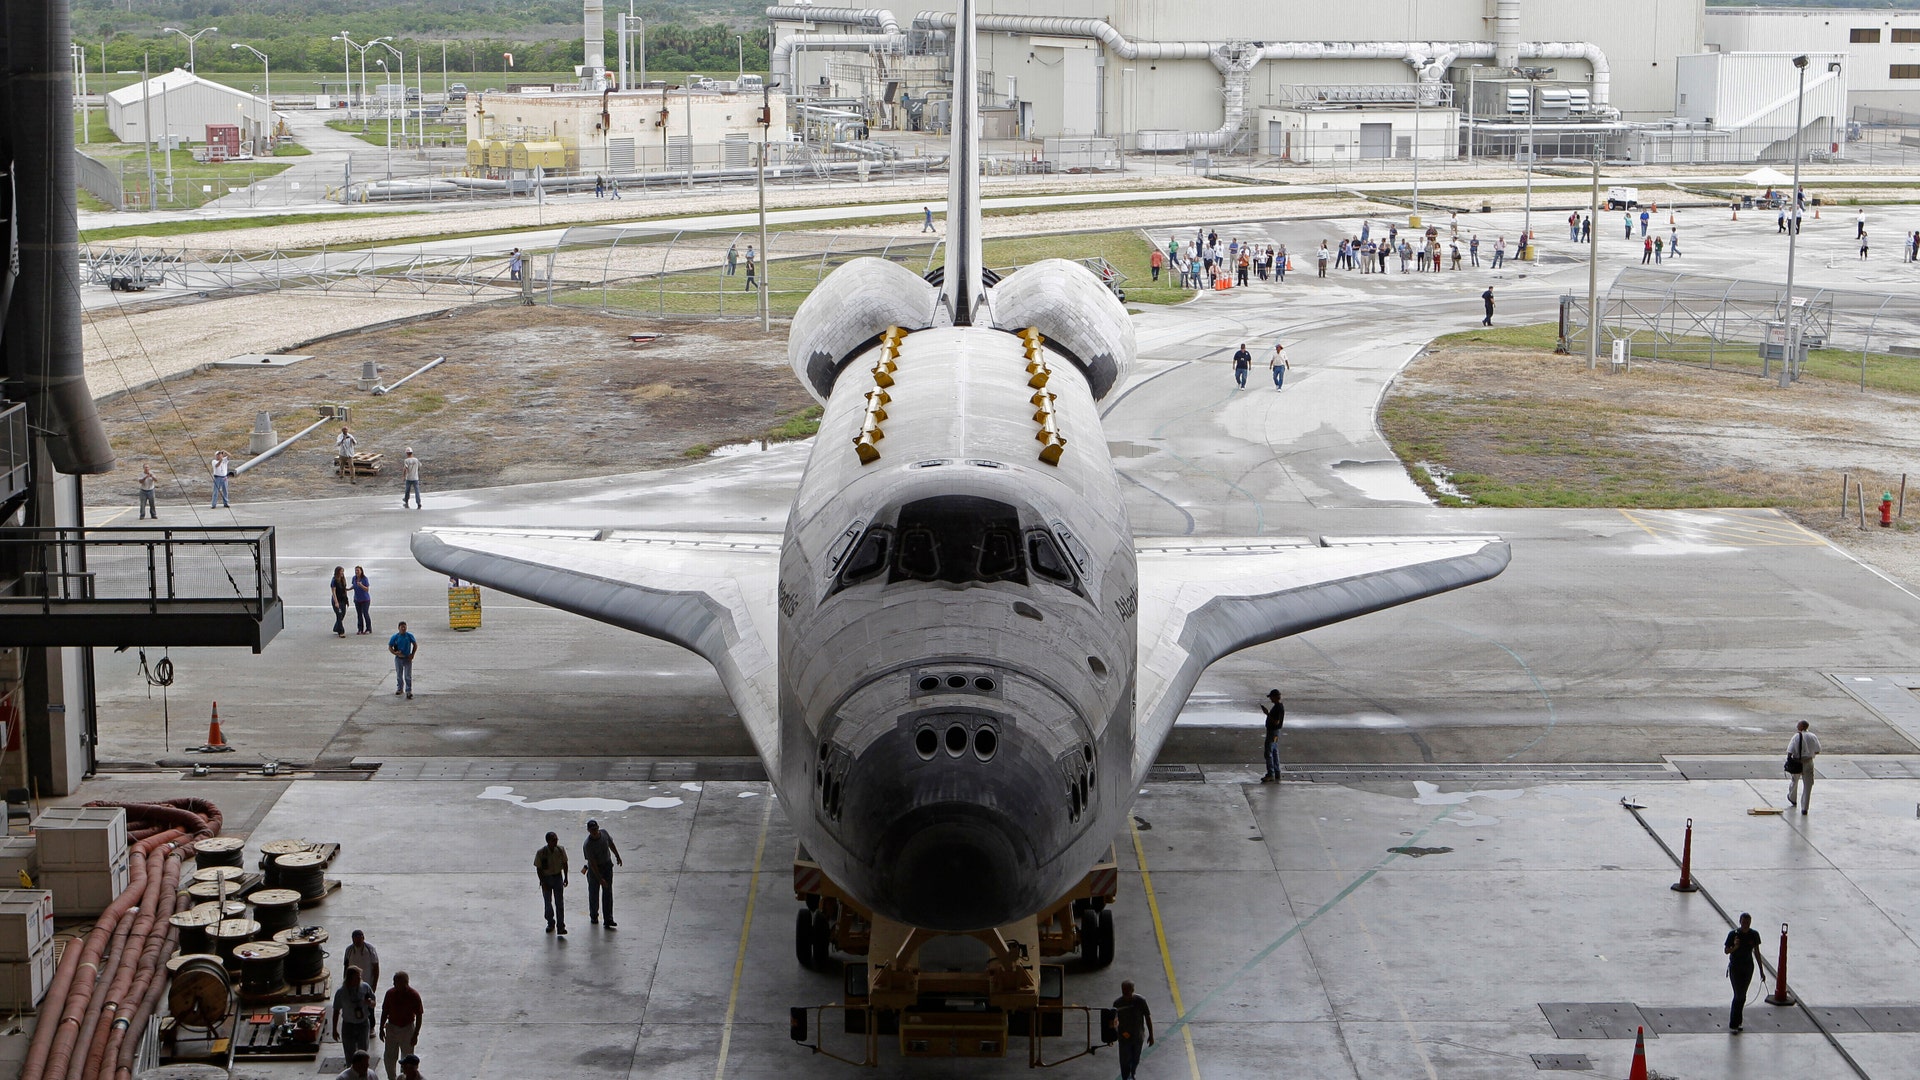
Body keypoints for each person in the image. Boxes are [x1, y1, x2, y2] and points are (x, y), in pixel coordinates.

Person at [380, 971, 424, 1080]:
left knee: (407, 1056)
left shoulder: (414, 995)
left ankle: (405, 1077)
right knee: (389, 1056)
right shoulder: (390, 993)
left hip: (407, 1028)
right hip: (392, 1027)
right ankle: (392, 1077)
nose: (394, 984)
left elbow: (419, 1015)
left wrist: (415, 1034)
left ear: (405, 983)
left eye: (396, 982)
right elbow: (385, 1011)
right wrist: (381, 1028)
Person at [1724, 913, 1763, 1032]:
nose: (1746, 924)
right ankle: (1733, 1023)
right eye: (1744, 922)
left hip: (1748, 968)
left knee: (1743, 995)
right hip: (1735, 967)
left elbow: (1757, 952)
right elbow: (1726, 951)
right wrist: (1735, 947)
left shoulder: (1754, 935)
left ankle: (1738, 1021)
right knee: (1738, 995)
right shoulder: (1733, 934)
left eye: (1748, 922)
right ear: (1740, 922)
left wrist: (1761, 970)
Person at [582, 819, 623, 927]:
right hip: (595, 870)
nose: (594, 831)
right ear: (588, 831)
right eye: (592, 830)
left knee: (608, 893)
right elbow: (592, 864)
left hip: (607, 866)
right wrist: (600, 879)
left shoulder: (604, 833)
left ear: (598, 827)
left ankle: (608, 918)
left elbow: (611, 844)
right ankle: (594, 916)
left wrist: (617, 856)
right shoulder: (588, 845)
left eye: (595, 829)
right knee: (594, 893)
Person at [1110, 980, 1154, 1080]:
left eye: (1127, 991)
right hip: (1124, 1037)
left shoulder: (1141, 1001)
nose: (1125, 994)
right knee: (1124, 1061)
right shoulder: (1117, 1003)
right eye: (1123, 991)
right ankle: (1126, 1077)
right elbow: (1114, 1022)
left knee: (1136, 1058)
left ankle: (1133, 1072)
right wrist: (1114, 1036)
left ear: (1132, 990)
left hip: (1138, 1036)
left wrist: (1151, 1035)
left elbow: (1147, 1017)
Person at [332, 966, 376, 1061]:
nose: (360, 979)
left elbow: (373, 1003)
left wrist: (370, 1003)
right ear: (350, 979)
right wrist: (334, 1029)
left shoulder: (365, 987)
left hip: (363, 1024)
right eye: (357, 977)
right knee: (349, 1053)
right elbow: (336, 1011)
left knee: (363, 1052)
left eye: (360, 977)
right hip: (348, 1025)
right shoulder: (341, 992)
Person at [537, 831, 569, 934]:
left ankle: (561, 926)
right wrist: (542, 882)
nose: (555, 841)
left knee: (559, 903)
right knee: (548, 902)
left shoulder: (560, 850)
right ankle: (550, 922)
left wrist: (566, 877)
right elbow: (539, 869)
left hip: (557, 877)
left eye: (556, 839)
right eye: (553, 840)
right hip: (546, 878)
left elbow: (565, 863)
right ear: (548, 841)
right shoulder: (541, 853)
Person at [1785, 719, 1819, 814]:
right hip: (1808, 762)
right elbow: (1817, 750)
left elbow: (1790, 751)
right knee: (1808, 785)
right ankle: (1804, 808)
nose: (1796, 727)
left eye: (1798, 725)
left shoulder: (1796, 737)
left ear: (1801, 727)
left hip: (1797, 762)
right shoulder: (1813, 736)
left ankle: (1792, 798)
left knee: (1794, 781)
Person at [1260, 688, 1285, 781]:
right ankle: (1277, 771)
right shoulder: (1279, 706)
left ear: (1275, 697)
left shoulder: (1278, 707)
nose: (1270, 699)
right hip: (1276, 733)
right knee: (1274, 751)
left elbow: (1276, 721)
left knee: (1268, 752)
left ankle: (1271, 773)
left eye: (1271, 697)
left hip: (1273, 732)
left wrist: (1267, 714)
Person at [389, 621, 417, 700]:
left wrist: (412, 654)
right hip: (399, 658)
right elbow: (390, 646)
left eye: (404, 627)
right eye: (402, 627)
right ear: (399, 628)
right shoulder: (395, 637)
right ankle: (400, 688)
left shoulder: (409, 636)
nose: (403, 629)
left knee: (408, 675)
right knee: (399, 675)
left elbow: (415, 645)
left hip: (407, 657)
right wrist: (395, 653)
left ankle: (408, 690)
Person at [330, 566, 351, 639]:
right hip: (337, 600)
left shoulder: (343, 579)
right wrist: (336, 602)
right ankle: (341, 632)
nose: (342, 573)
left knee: (343, 614)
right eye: (341, 571)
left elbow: (344, 589)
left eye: (343, 571)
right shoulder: (334, 580)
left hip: (343, 600)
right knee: (339, 615)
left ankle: (336, 627)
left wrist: (347, 600)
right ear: (337, 572)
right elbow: (334, 592)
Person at [352, 566, 372, 636]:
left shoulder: (364, 579)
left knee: (365, 613)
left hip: (365, 600)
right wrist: (348, 589)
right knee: (359, 614)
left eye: (358, 570)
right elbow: (354, 586)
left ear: (361, 571)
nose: (356, 572)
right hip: (357, 599)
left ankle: (368, 629)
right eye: (356, 570)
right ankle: (360, 629)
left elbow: (367, 589)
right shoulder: (354, 578)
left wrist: (361, 585)